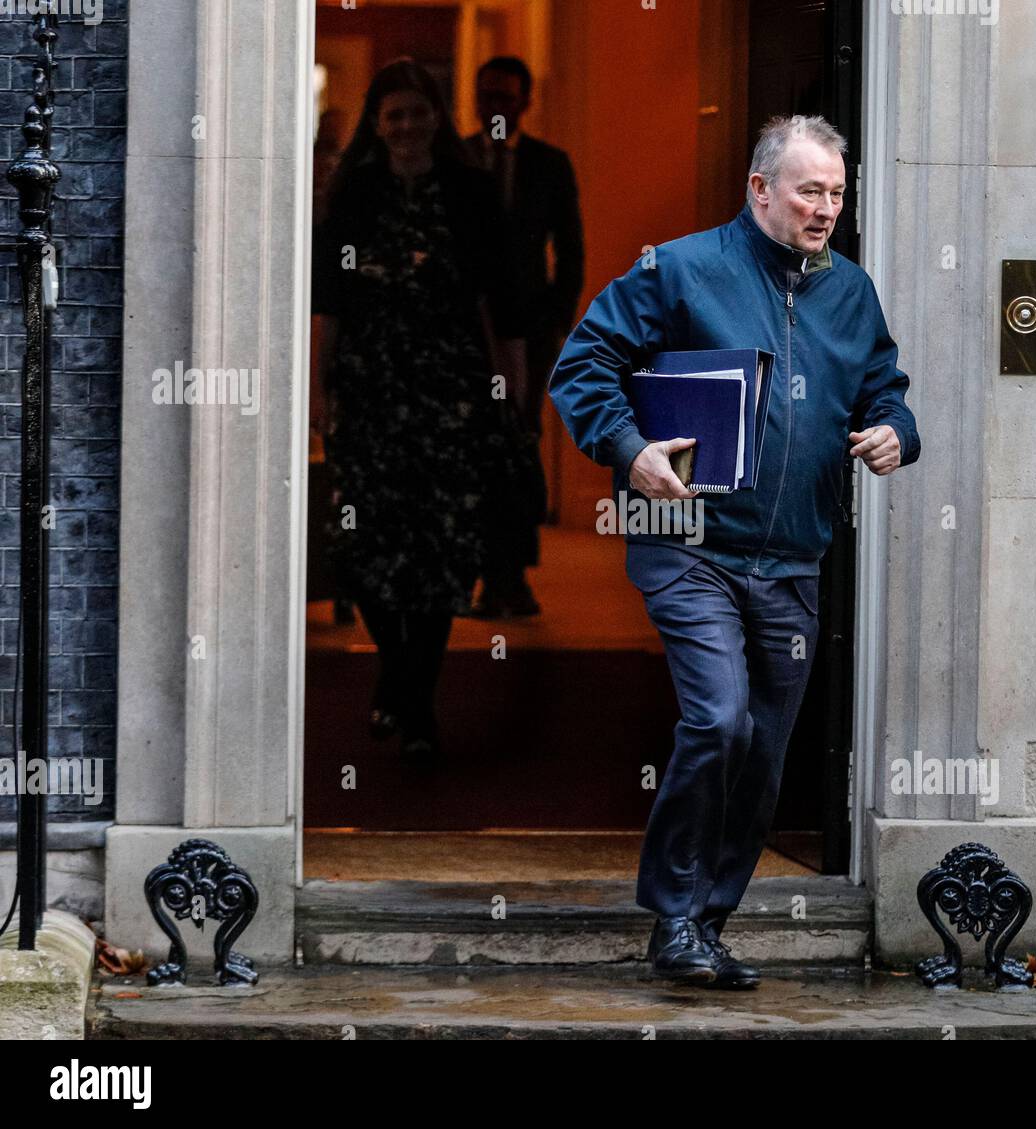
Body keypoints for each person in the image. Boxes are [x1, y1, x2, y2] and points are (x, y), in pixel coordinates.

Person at [547, 114, 920, 988]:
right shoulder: (678, 269)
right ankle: (674, 912)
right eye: (807, 191)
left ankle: (703, 924)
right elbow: (583, 365)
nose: (825, 208)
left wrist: (897, 433)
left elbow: (887, 392)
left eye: (836, 192)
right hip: (687, 542)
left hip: (792, 556)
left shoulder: (851, 292)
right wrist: (631, 448)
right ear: (760, 190)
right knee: (719, 717)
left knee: (762, 751)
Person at [310, 59, 532, 759]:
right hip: (369, 388)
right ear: (378, 126)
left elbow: (503, 299)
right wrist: (317, 389)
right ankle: (401, 678)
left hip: (451, 391)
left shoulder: (470, 193)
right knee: (364, 545)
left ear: (437, 117)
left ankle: (416, 704)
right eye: (393, 114)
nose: (407, 125)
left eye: (417, 111)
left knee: (442, 548)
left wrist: (514, 388)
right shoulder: (352, 196)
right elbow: (327, 304)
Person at [463, 55, 585, 618]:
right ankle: (477, 575)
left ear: (524, 102)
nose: (495, 106)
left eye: (506, 97)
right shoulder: (458, 157)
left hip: (530, 332)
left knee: (517, 444)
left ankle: (510, 577)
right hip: (464, 331)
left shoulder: (548, 165)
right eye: (486, 95)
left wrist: (558, 322)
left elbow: (571, 250)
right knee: (469, 451)